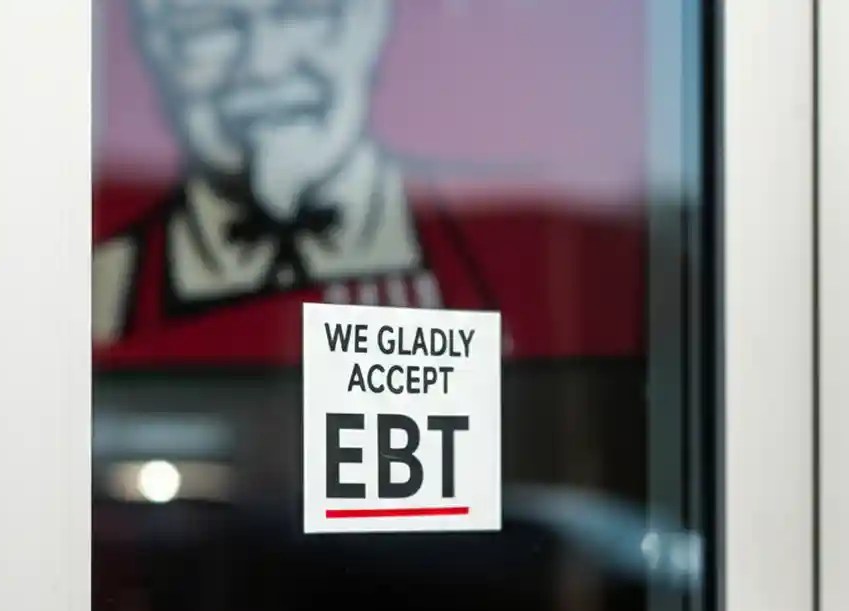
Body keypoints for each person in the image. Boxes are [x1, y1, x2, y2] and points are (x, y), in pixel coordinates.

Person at [94, 0, 641, 366]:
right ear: (154, 52)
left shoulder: (541, 267)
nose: (263, 65)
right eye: (206, 27)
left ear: (371, 25)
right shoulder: (94, 291)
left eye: (303, 13)